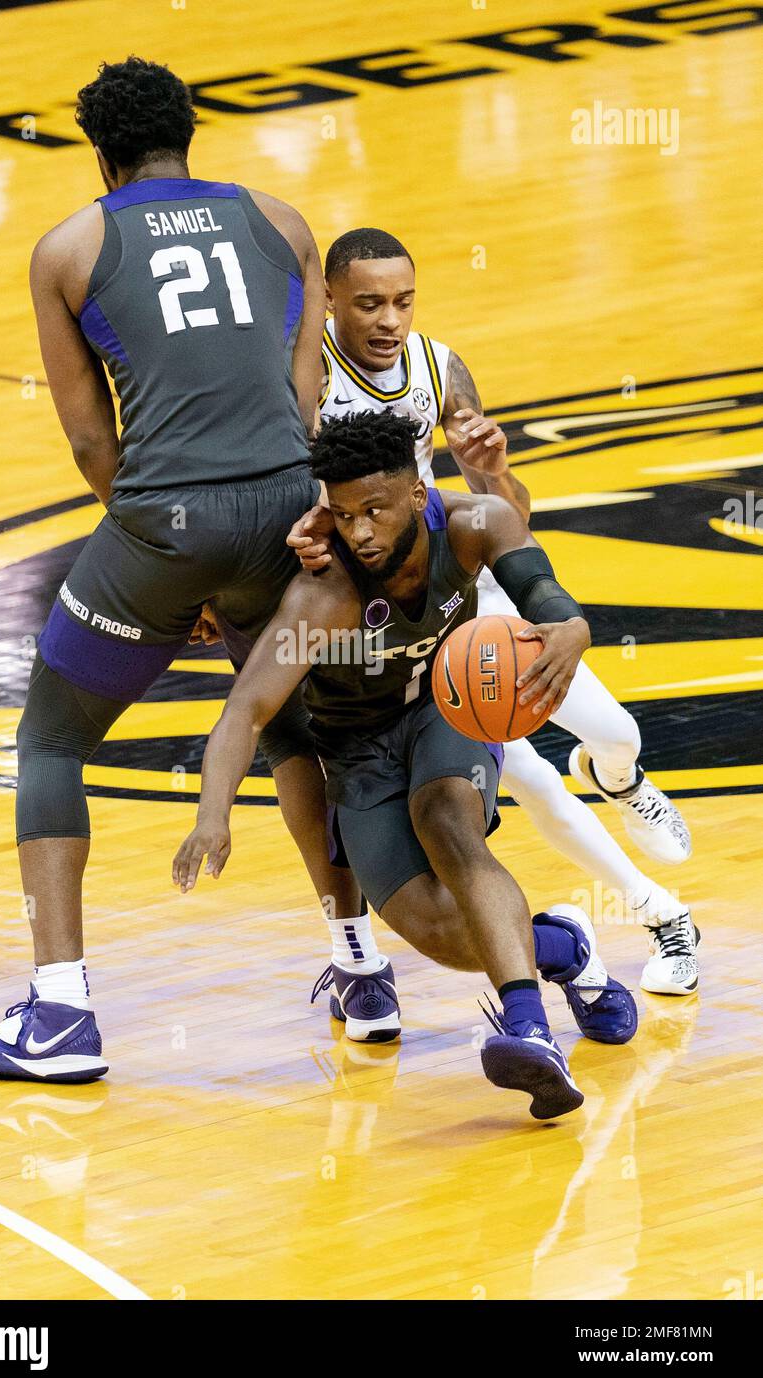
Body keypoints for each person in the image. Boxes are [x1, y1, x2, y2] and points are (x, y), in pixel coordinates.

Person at [0, 56, 365, 1082]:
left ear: (99, 151)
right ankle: (360, 967)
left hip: (163, 521)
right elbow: (303, 408)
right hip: (285, 512)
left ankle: (58, 1015)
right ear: (187, 135)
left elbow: (91, 444)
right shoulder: (280, 219)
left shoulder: (70, 248)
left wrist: (169, 557)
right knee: (289, 725)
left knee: (49, 738)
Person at [173, 411, 638, 1121]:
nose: (358, 532)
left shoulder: (480, 524)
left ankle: (530, 1030)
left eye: (375, 511)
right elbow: (247, 710)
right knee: (443, 934)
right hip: (356, 750)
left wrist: (571, 625)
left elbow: (549, 600)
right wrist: (212, 814)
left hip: (448, 713)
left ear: (418, 494)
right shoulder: (324, 595)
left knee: (447, 821)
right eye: (343, 513)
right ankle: (563, 944)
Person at [290, 227, 698, 997]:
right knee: (532, 785)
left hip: (463, 583)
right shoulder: (300, 380)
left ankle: (619, 774)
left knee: (615, 729)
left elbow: (510, 515)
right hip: (385, 620)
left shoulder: (438, 369)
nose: (390, 321)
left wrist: (494, 471)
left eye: (404, 302)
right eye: (370, 303)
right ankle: (658, 914)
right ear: (327, 299)